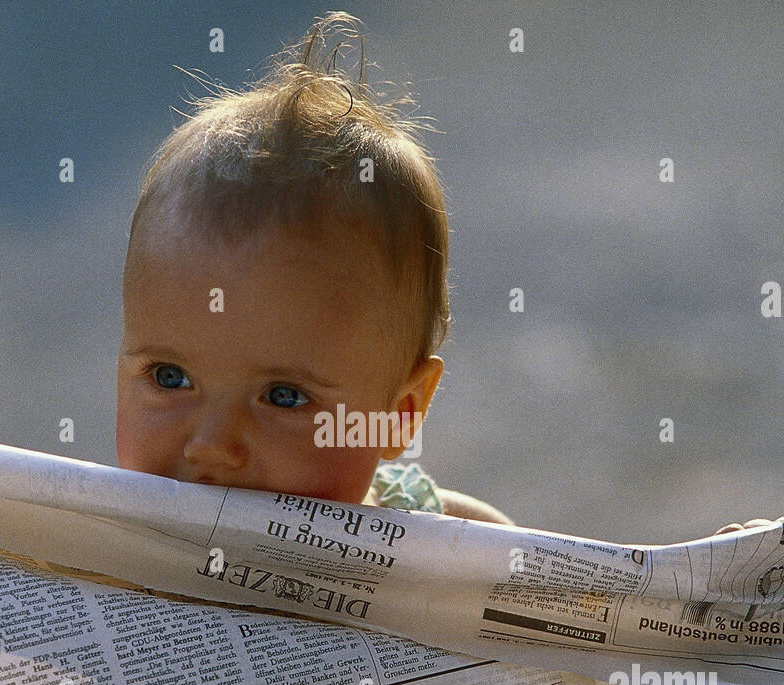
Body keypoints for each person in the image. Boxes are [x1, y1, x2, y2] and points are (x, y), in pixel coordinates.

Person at [115, 12, 512, 525]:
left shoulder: (460, 536)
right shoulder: (95, 528)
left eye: (285, 396)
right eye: (169, 377)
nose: (211, 447)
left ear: (397, 416)